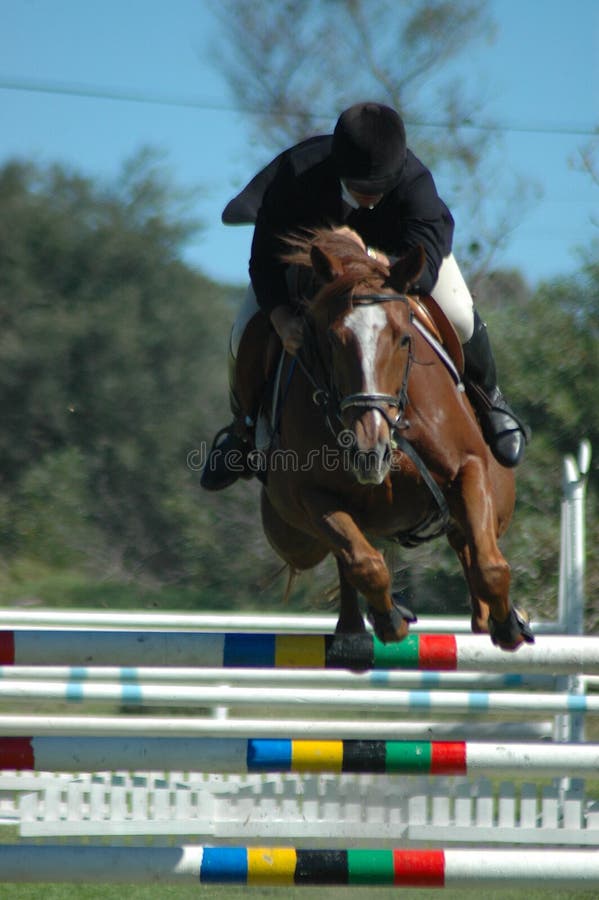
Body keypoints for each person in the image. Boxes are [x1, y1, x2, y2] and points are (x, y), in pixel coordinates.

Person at [201, 102, 529, 491]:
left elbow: (423, 263)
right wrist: (280, 317)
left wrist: (370, 259)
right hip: (311, 266)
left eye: (380, 189)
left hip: (397, 266)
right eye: (361, 189)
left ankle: (490, 400)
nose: (371, 198)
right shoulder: (296, 176)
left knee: (458, 312)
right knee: (243, 331)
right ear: (339, 170)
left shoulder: (414, 180)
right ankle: (242, 432)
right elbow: (264, 261)